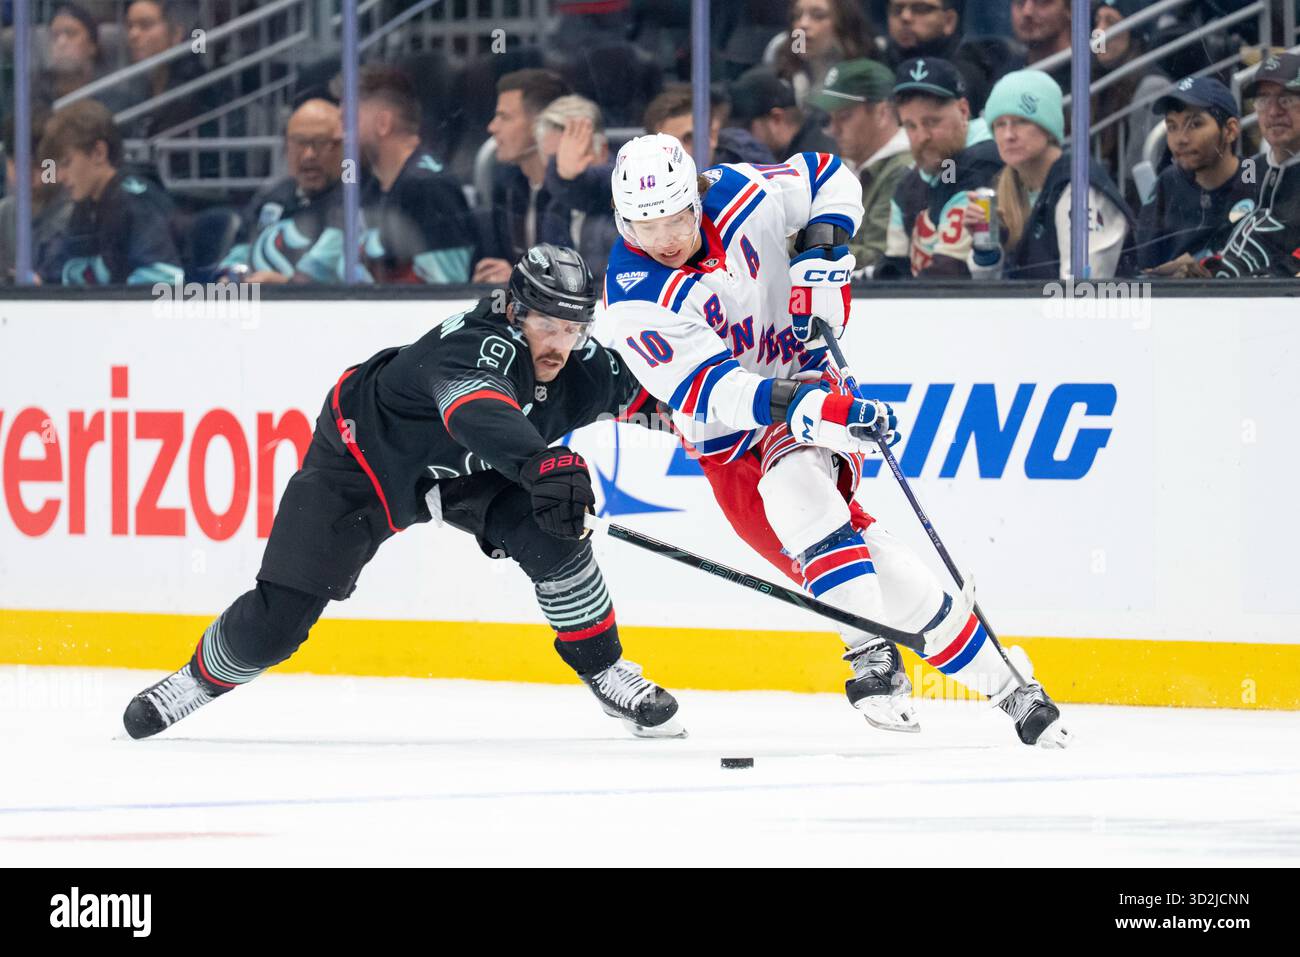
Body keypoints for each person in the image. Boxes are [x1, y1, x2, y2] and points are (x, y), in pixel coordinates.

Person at [602, 132, 1070, 747]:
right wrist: (821, 410)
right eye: (644, 226)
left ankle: (868, 647)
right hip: (728, 438)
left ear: (697, 195)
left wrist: (824, 242)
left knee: (796, 484)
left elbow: (830, 174)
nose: (662, 239)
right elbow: (713, 392)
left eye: (675, 216)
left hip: (804, 375)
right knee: (888, 574)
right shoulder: (633, 295)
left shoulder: (747, 193)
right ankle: (1011, 688)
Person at [123, 244, 684, 740]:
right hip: (367, 460)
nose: (562, 344)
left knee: (555, 531)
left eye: (575, 327)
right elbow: (476, 412)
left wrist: (744, 421)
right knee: (278, 625)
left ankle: (606, 670)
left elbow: (656, 402)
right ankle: (195, 681)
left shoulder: (580, 364)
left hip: (473, 471)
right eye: (548, 325)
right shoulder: (475, 347)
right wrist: (542, 462)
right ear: (515, 312)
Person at [965, 69, 1135, 280]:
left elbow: (1081, 290)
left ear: (1048, 126)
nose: (1008, 135)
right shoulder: (1005, 189)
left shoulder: (1079, 188)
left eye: (1021, 121)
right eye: (1000, 124)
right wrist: (987, 250)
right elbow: (987, 292)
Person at [875, 56, 1002, 279]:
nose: (922, 137)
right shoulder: (909, 183)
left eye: (932, 122)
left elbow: (948, 272)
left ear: (963, 111)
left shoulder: (985, 162)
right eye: (910, 126)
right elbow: (894, 266)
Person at [39, 99, 182, 286]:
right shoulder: (85, 206)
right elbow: (70, 268)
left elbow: (164, 277)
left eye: (66, 163)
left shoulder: (136, 204)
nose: (60, 176)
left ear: (99, 153)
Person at [356, 65, 478, 284]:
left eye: (349, 122)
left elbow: (447, 290)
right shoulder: (372, 186)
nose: (339, 133)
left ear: (383, 124)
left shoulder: (429, 187)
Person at [1135, 77, 1255, 275]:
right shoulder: (1167, 182)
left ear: (1231, 130)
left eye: (1195, 124)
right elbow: (1145, 269)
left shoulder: (1255, 175)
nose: (1180, 139)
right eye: (1172, 126)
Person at [219, 96, 346, 283]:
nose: (309, 155)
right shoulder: (274, 196)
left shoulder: (350, 203)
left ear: (342, 147)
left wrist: (283, 287)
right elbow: (241, 250)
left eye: (320, 143)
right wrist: (231, 275)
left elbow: (328, 274)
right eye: (299, 143)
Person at [1201, 53, 1300, 279]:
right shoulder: (1251, 168)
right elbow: (1228, 232)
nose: (1274, 112)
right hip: (1229, 296)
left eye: (1287, 99)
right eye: (1263, 100)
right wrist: (1204, 269)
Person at [807, 58, 912, 269]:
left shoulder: (903, 170)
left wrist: (802, 242)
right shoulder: (846, 168)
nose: (834, 129)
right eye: (830, 119)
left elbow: (879, 258)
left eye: (845, 117)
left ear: (882, 112)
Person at [474, 69, 572, 285]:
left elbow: (578, 283)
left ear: (543, 124)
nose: (492, 127)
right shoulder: (505, 186)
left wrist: (520, 279)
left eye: (504, 117)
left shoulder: (575, 195)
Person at [533, 95, 620, 282]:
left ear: (602, 149)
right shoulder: (554, 211)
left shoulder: (629, 195)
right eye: (552, 161)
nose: (558, 171)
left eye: (569, 157)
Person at [1091, 1, 1167, 206]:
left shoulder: (1151, 85)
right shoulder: (1097, 81)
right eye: (1097, 21)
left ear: (1134, 31)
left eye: (1111, 22)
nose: (1099, 31)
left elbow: (1138, 173)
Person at [881, 0, 1011, 114]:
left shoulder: (967, 72)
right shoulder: (877, 62)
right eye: (897, 9)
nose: (905, 17)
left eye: (920, 9)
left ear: (949, 21)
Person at [0, 111, 73, 284]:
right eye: (19, 166)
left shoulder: (78, 215)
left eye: (41, 167)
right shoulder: (3, 215)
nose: (29, 178)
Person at [773, 0, 882, 107]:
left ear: (844, 24)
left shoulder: (869, 75)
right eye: (797, 16)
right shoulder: (781, 72)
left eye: (818, 16)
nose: (803, 24)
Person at [728, 66, 837, 160]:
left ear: (776, 118)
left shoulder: (812, 163)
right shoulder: (809, 138)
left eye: (746, 128)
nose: (740, 137)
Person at [1010, 0, 1072, 96]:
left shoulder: (1089, 77)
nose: (1027, 12)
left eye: (1042, 1)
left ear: (1070, 9)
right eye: (1020, 2)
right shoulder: (1006, 76)